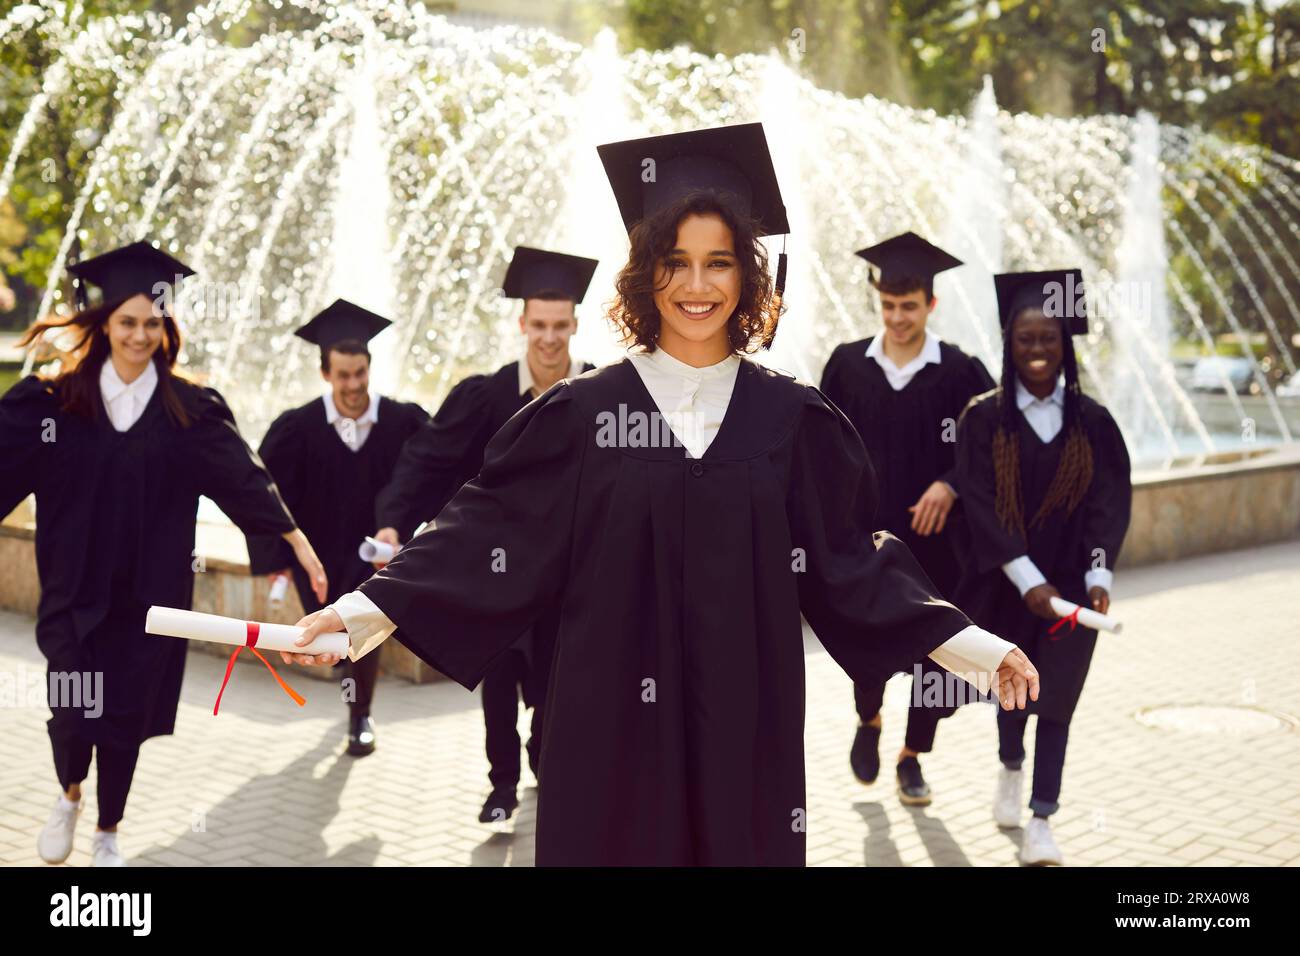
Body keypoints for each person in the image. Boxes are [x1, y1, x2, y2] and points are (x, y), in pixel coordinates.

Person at [287, 123, 1039, 866]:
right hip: (609, 732)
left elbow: (851, 565)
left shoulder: (790, 420)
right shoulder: (583, 414)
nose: (697, 285)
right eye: (675, 261)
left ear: (748, 273)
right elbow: (488, 528)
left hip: (743, 734)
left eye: (719, 262)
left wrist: (974, 646)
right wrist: (362, 613)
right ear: (645, 272)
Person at [0, 241, 326, 866]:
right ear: (104, 324)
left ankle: (108, 831)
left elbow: (244, 479)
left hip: (151, 601)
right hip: (73, 592)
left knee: (124, 718)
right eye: (127, 322)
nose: (140, 335)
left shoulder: (188, 411)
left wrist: (293, 538)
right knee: (73, 707)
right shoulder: (55, 404)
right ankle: (69, 792)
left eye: (153, 323)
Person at [372, 246, 597, 823]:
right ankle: (501, 786)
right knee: (497, 684)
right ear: (523, 324)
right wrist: (394, 521)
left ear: (574, 324)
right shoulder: (484, 395)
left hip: (569, 580)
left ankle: (543, 753)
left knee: (557, 687)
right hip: (496, 576)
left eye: (560, 326)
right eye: (539, 326)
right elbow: (425, 457)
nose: (549, 339)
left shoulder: (600, 395)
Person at [953, 269, 1131, 866]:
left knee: (1056, 701)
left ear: (1065, 345)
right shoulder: (983, 419)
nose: (1036, 351)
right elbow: (979, 505)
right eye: (1024, 340)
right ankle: (1009, 768)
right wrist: (1028, 580)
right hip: (1011, 587)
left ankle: (1042, 820)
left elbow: (1109, 504)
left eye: (1047, 339)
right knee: (1014, 692)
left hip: (1074, 592)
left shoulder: (1093, 421)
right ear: (1010, 344)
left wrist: (1100, 577)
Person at [820, 232, 994, 805]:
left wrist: (951, 483)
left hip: (937, 546)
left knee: (936, 656)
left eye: (909, 307)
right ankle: (868, 717)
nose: (897, 318)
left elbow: (993, 446)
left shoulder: (961, 373)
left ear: (931, 306)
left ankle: (912, 756)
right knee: (866, 643)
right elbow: (819, 447)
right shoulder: (846, 367)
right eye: (889, 306)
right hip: (866, 541)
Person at [245, 299, 429, 757]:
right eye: (343, 375)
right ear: (326, 373)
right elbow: (265, 494)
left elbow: (432, 473)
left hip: (378, 555)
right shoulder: (297, 428)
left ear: (370, 367)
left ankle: (359, 716)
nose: (353, 385)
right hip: (318, 557)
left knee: (356, 633)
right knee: (336, 644)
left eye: (360, 373)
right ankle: (352, 691)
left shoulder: (404, 421)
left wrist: (407, 532)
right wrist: (274, 561)